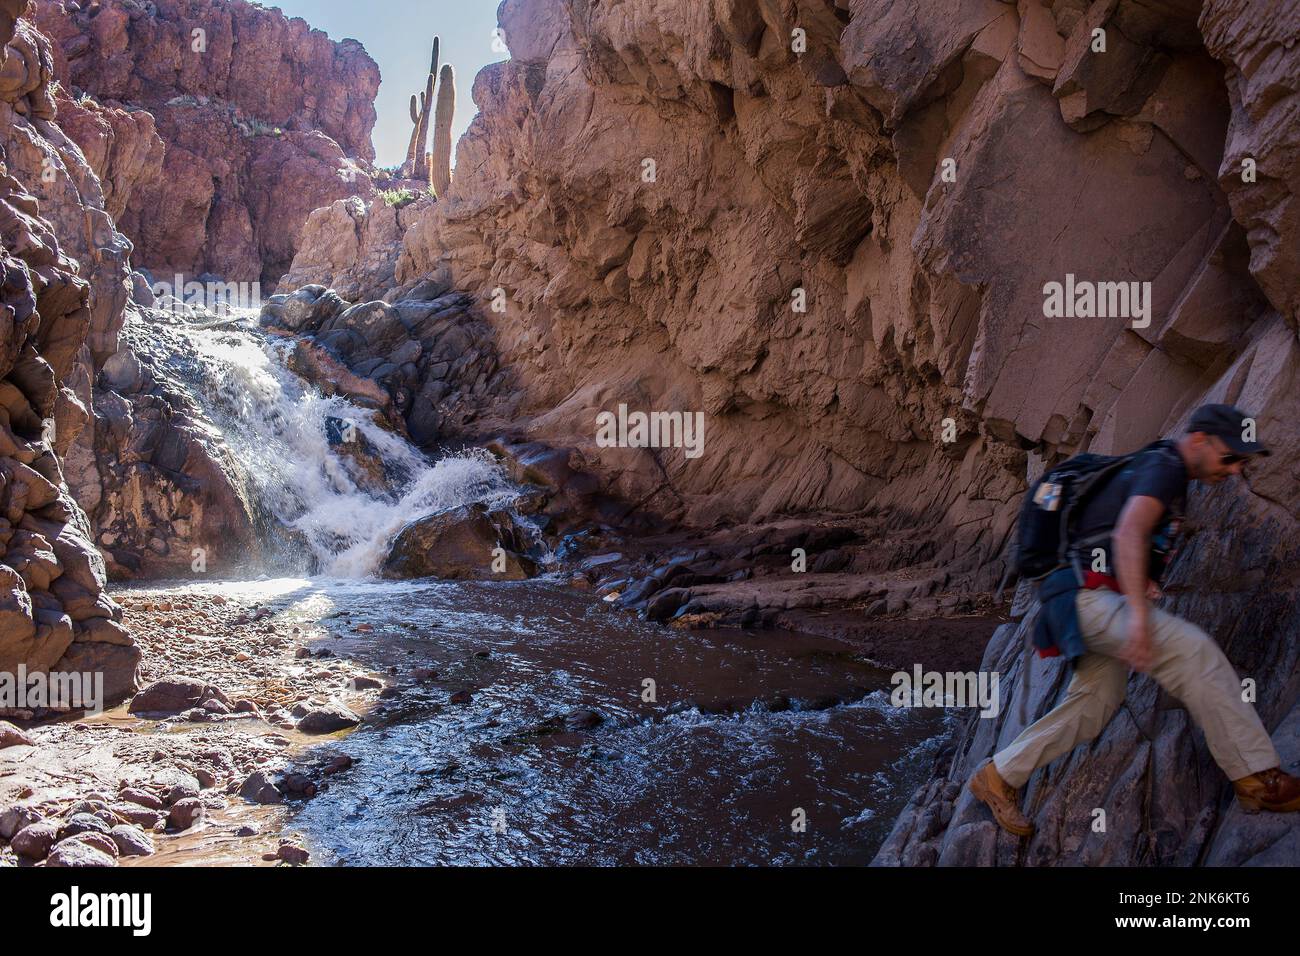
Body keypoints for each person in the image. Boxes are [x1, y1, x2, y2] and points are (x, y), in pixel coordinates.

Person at [969, 403, 1300, 837]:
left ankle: (997, 776)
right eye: (1231, 456)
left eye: (1242, 461)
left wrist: (1139, 582)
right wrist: (1141, 621)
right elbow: (1129, 531)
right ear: (1199, 440)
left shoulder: (1161, 469)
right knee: (1192, 649)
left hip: (1077, 600)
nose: (1236, 469)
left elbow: (1111, 535)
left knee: (1095, 701)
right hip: (1085, 600)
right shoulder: (1166, 466)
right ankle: (1258, 778)